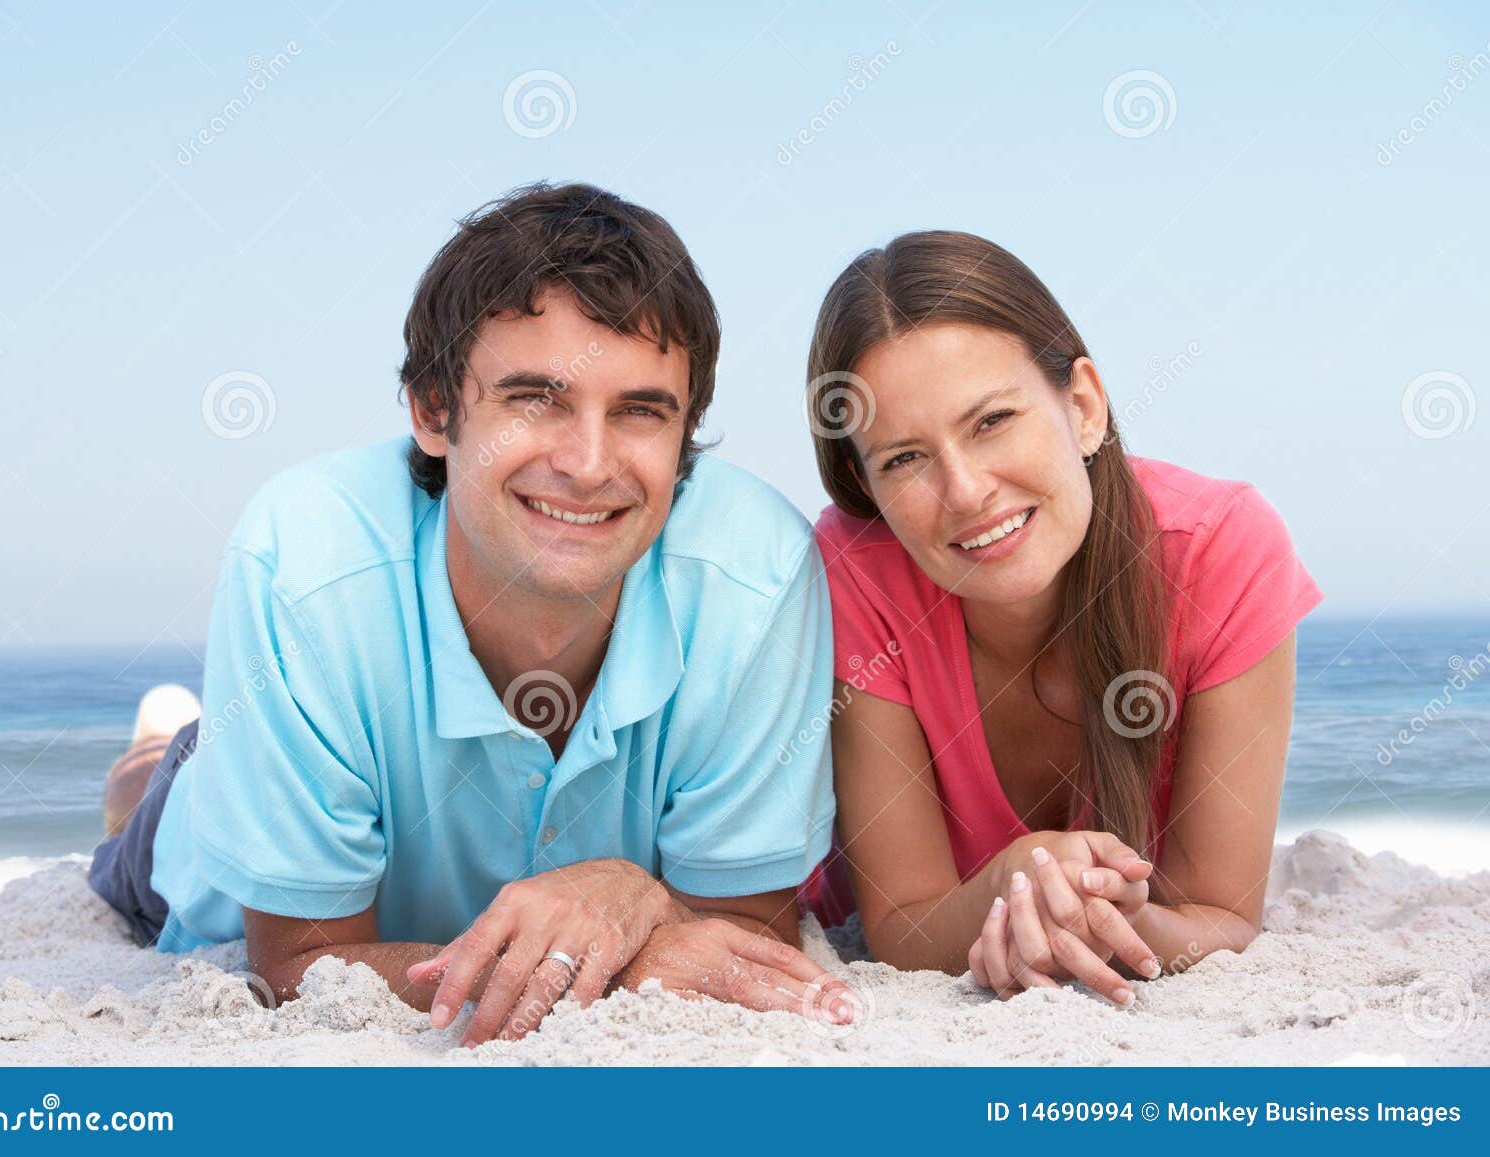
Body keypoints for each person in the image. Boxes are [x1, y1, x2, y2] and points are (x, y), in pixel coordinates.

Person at [90, 181, 853, 1046]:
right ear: (432, 410)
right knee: (148, 799)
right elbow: (295, 963)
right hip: (206, 826)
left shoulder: (756, 575)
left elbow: (742, 932)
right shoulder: (300, 567)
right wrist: (633, 958)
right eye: (536, 399)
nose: (589, 462)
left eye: (641, 411)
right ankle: (156, 749)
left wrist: (630, 891)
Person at [799, 230, 1323, 1003]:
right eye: (905, 458)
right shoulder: (853, 574)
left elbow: (1222, 917)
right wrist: (1015, 884)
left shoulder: (1221, 553)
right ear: (862, 482)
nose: (967, 490)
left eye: (992, 421)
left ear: (1082, 406)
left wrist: (1088, 910)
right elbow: (901, 927)